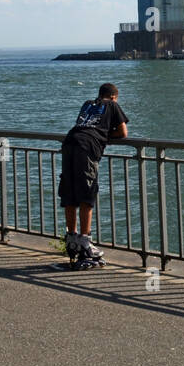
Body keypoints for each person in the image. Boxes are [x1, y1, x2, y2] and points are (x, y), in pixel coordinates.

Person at [59, 83, 128, 268]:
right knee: (87, 194)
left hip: (70, 142)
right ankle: (85, 242)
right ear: (113, 97)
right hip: (86, 148)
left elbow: (84, 125)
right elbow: (123, 132)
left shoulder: (88, 103)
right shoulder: (112, 104)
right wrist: (104, 136)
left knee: (70, 193)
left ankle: (71, 239)